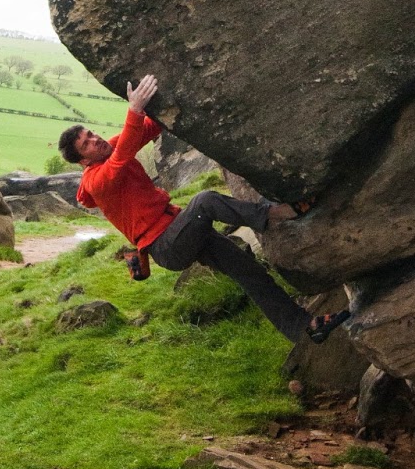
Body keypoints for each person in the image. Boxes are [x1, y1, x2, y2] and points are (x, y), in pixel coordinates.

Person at [58, 73, 349, 346]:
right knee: (205, 201)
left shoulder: (108, 149)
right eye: (87, 144)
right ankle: (275, 214)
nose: (95, 140)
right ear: (83, 161)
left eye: (92, 134)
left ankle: (306, 326)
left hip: (177, 229)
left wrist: (168, 98)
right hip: (166, 246)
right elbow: (121, 157)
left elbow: (145, 130)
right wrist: (133, 110)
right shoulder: (97, 181)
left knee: (246, 269)